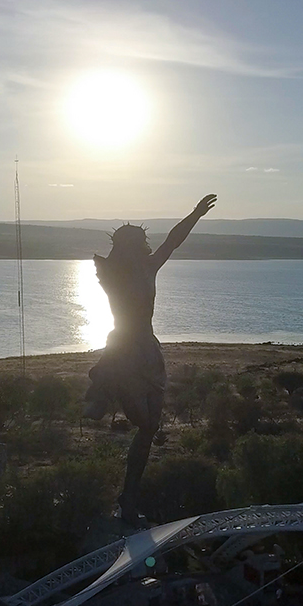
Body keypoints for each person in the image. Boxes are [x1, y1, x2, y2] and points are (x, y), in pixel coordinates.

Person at [84, 194, 218, 525]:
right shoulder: (116, 271)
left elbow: (173, 241)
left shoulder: (143, 267)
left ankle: (129, 495)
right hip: (126, 348)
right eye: (142, 241)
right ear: (131, 245)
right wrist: (195, 213)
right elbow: (170, 242)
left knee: (150, 426)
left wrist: (194, 214)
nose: (148, 245)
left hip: (147, 349)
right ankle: (103, 383)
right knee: (144, 423)